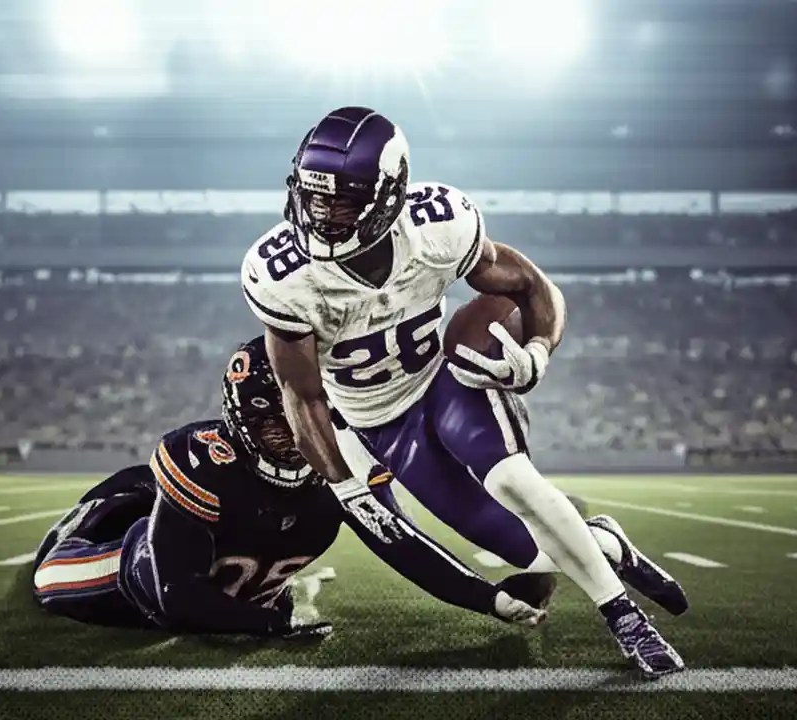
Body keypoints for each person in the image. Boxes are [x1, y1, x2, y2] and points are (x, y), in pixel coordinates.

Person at [241, 107, 686, 675]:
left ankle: (626, 620)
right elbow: (300, 396)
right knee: (532, 552)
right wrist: (347, 487)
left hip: (447, 381)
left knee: (513, 479)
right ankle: (612, 547)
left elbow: (530, 285)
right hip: (382, 424)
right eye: (314, 197)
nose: (324, 214)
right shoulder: (283, 273)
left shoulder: (437, 226)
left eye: (345, 200)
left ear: (388, 197)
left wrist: (538, 353)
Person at [31, 337, 552, 637]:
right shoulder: (205, 461)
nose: (289, 435)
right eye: (269, 420)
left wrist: (490, 599)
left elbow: (401, 545)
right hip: (133, 582)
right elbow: (176, 598)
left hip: (239, 593)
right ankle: (105, 505)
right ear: (239, 421)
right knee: (48, 574)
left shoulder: (342, 457)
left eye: (297, 414)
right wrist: (269, 627)